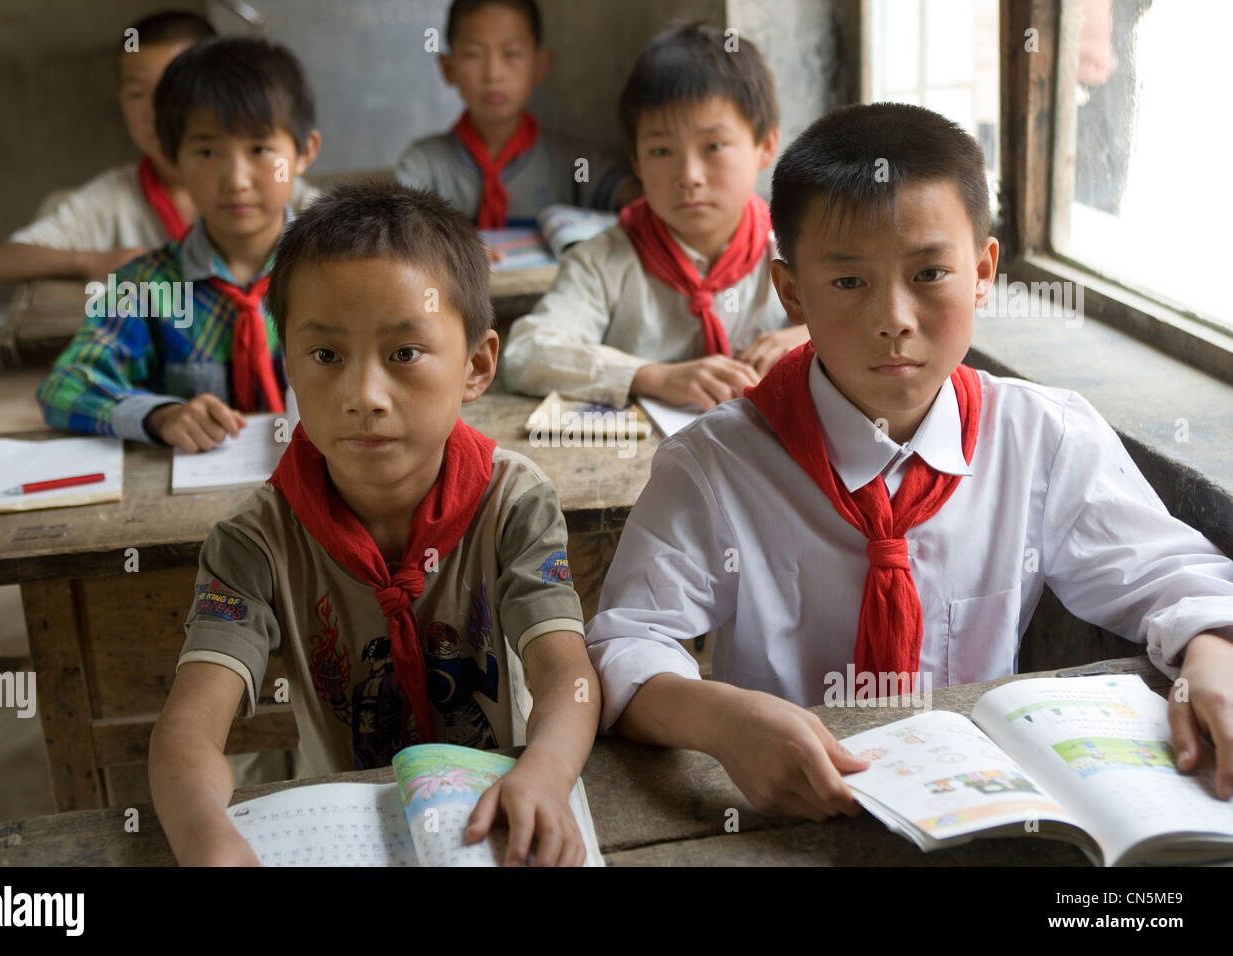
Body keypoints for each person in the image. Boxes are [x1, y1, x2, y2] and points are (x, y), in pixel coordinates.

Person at [585, 103, 1233, 819]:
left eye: (929, 272)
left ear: (983, 271)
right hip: (785, 813)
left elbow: (1175, 578)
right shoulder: (716, 466)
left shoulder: (1042, 440)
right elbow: (626, 644)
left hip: (975, 814)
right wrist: (719, 720)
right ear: (791, 291)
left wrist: (1211, 656)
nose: (893, 317)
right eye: (848, 282)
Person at [149, 182, 601, 866]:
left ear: (477, 365)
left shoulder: (514, 501)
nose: (364, 397)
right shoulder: (254, 541)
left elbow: (566, 674)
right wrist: (205, 836)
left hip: (494, 814)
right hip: (344, 830)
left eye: (404, 354)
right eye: (326, 356)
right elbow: (188, 728)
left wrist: (544, 771)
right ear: (289, 364)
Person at [500, 22, 806, 411]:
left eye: (713, 146)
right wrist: (653, 376)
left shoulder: (795, 248)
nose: (689, 177)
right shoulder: (603, 261)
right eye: (662, 152)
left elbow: (879, 324)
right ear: (637, 162)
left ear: (765, 146)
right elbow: (527, 352)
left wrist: (811, 336)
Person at [35, 36, 321, 450]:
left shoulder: (339, 273)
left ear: (304, 152)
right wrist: (160, 414)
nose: (236, 180)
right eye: (207, 152)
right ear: (172, 158)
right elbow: (64, 388)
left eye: (260, 148)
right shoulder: (145, 286)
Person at [0, 11, 318, 283]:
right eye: (136, 94)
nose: (156, 110)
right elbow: (4, 260)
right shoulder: (113, 199)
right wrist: (93, 262)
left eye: (171, 92)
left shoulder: (278, 193)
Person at [394, 0, 633, 228]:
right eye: (473, 55)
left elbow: (636, 202)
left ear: (539, 66)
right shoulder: (424, 166)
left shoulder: (575, 163)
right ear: (448, 68)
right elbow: (401, 232)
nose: (493, 74)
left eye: (511, 53)